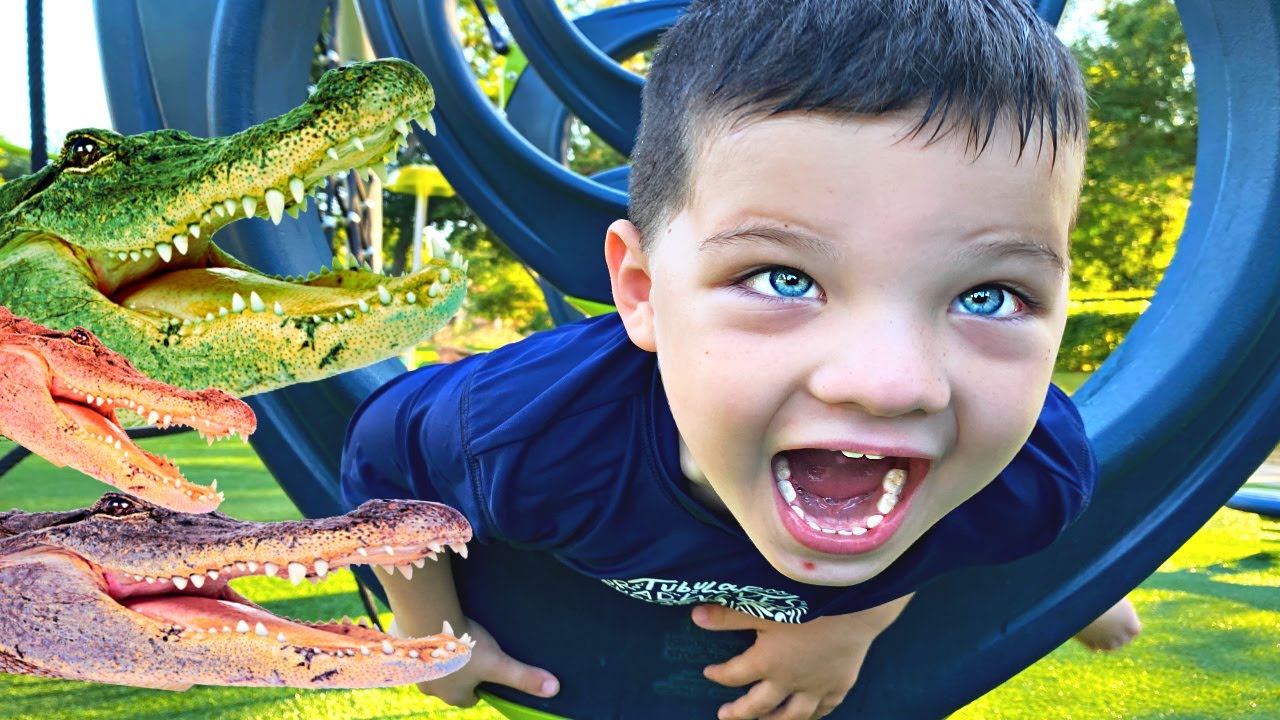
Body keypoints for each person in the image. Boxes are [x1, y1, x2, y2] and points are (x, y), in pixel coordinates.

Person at [341, 1, 1100, 717]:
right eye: (783, 280)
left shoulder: (1035, 473)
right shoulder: (521, 434)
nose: (890, 384)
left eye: (989, 296)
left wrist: (859, 617)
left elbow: (983, 517)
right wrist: (429, 632)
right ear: (641, 292)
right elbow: (382, 460)